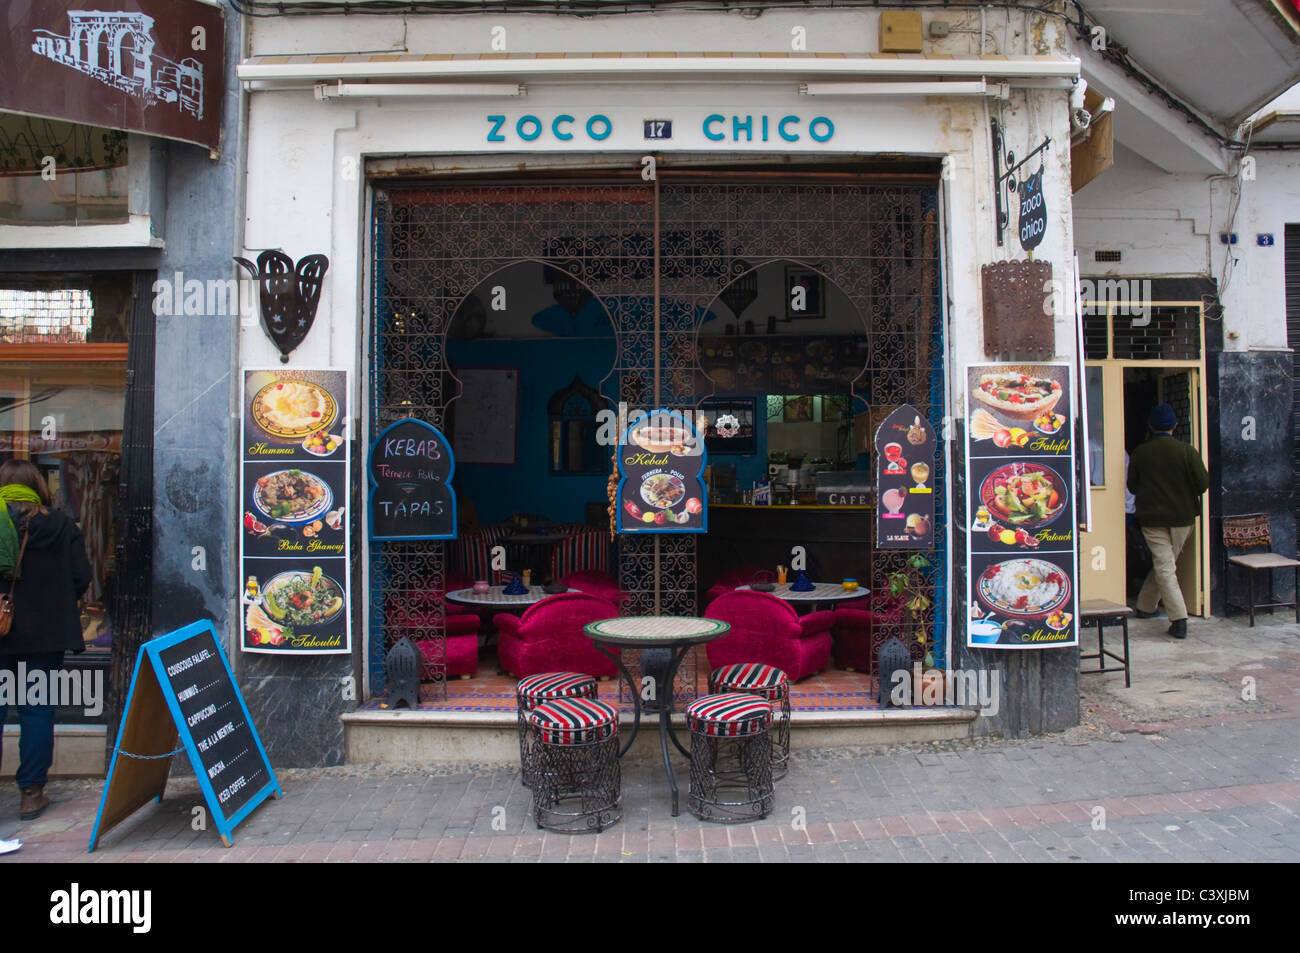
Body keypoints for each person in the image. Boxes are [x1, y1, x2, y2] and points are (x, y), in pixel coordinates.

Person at [0, 460, 92, 820]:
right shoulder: (60, 525)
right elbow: (81, 577)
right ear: (38, 485)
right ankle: (31, 792)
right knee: (36, 710)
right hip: (45, 636)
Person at [1126, 403, 1209, 639]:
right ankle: (1176, 616)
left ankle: (1152, 609)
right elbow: (1203, 484)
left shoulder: (1141, 453)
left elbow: (1132, 486)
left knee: (1164, 566)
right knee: (1166, 566)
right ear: (1174, 425)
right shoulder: (1187, 451)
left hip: (1152, 521)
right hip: (1183, 520)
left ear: (1151, 427)